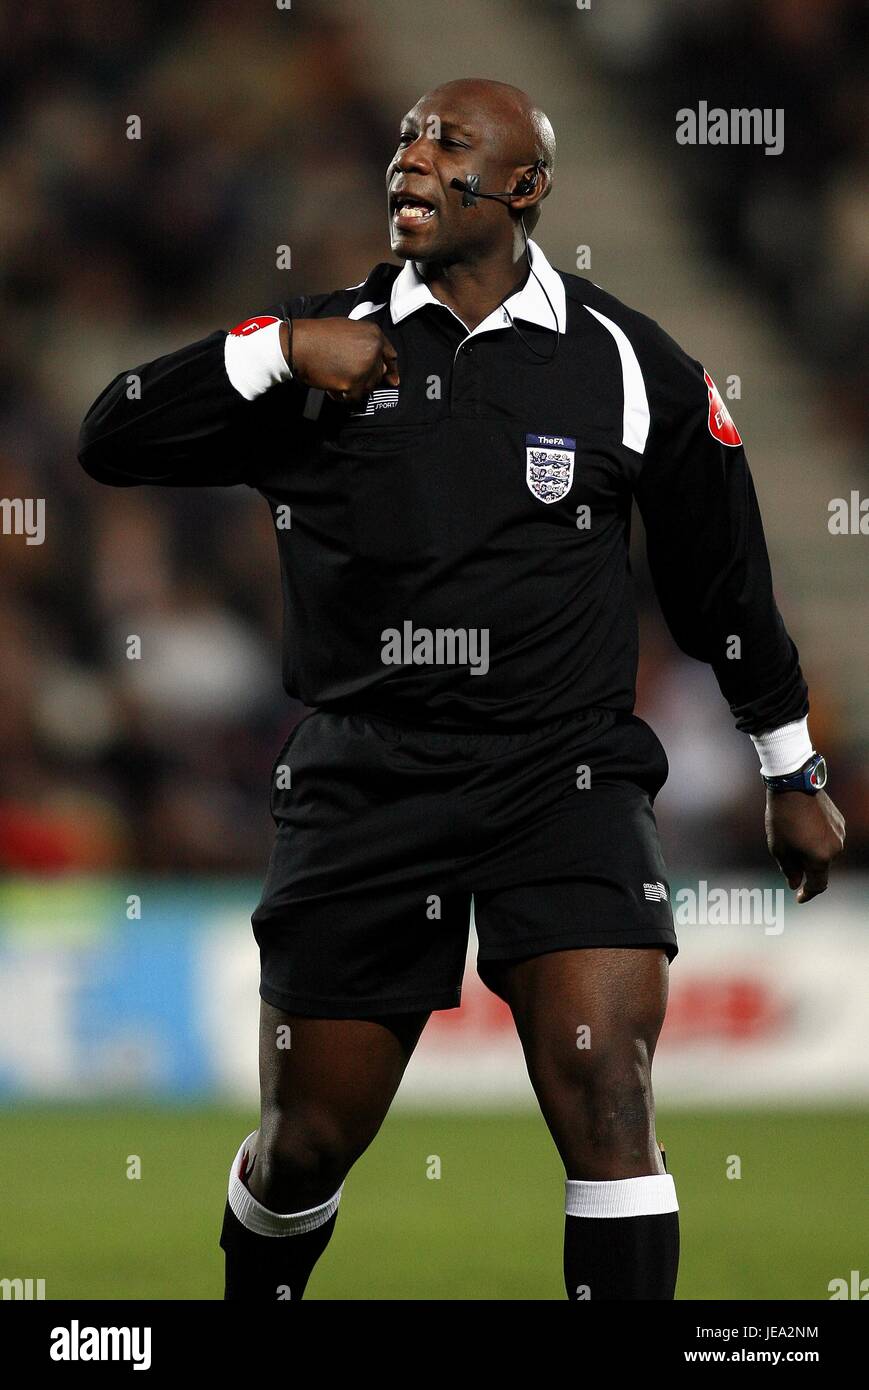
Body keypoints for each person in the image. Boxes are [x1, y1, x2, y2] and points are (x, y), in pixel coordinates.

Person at [78, 78, 845, 1301]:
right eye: (403, 139)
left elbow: (724, 587)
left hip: (566, 772)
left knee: (609, 1093)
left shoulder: (628, 362)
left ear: (527, 187)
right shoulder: (319, 344)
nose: (411, 160)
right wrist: (272, 350)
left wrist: (787, 764)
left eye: (448, 144)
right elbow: (109, 437)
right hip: (365, 776)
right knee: (303, 1147)